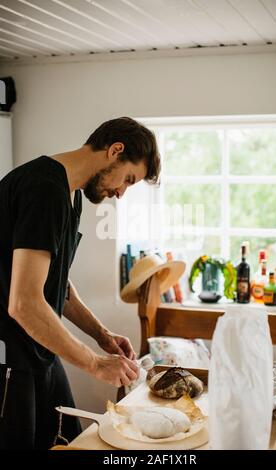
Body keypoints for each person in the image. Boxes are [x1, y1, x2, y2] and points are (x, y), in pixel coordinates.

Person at [0, 116, 161, 449]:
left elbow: (58, 286)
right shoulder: (42, 188)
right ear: (115, 150)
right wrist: (94, 363)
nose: (120, 193)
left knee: (72, 440)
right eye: (128, 179)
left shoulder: (69, 194)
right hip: (8, 357)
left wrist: (102, 337)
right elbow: (24, 303)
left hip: (38, 349)